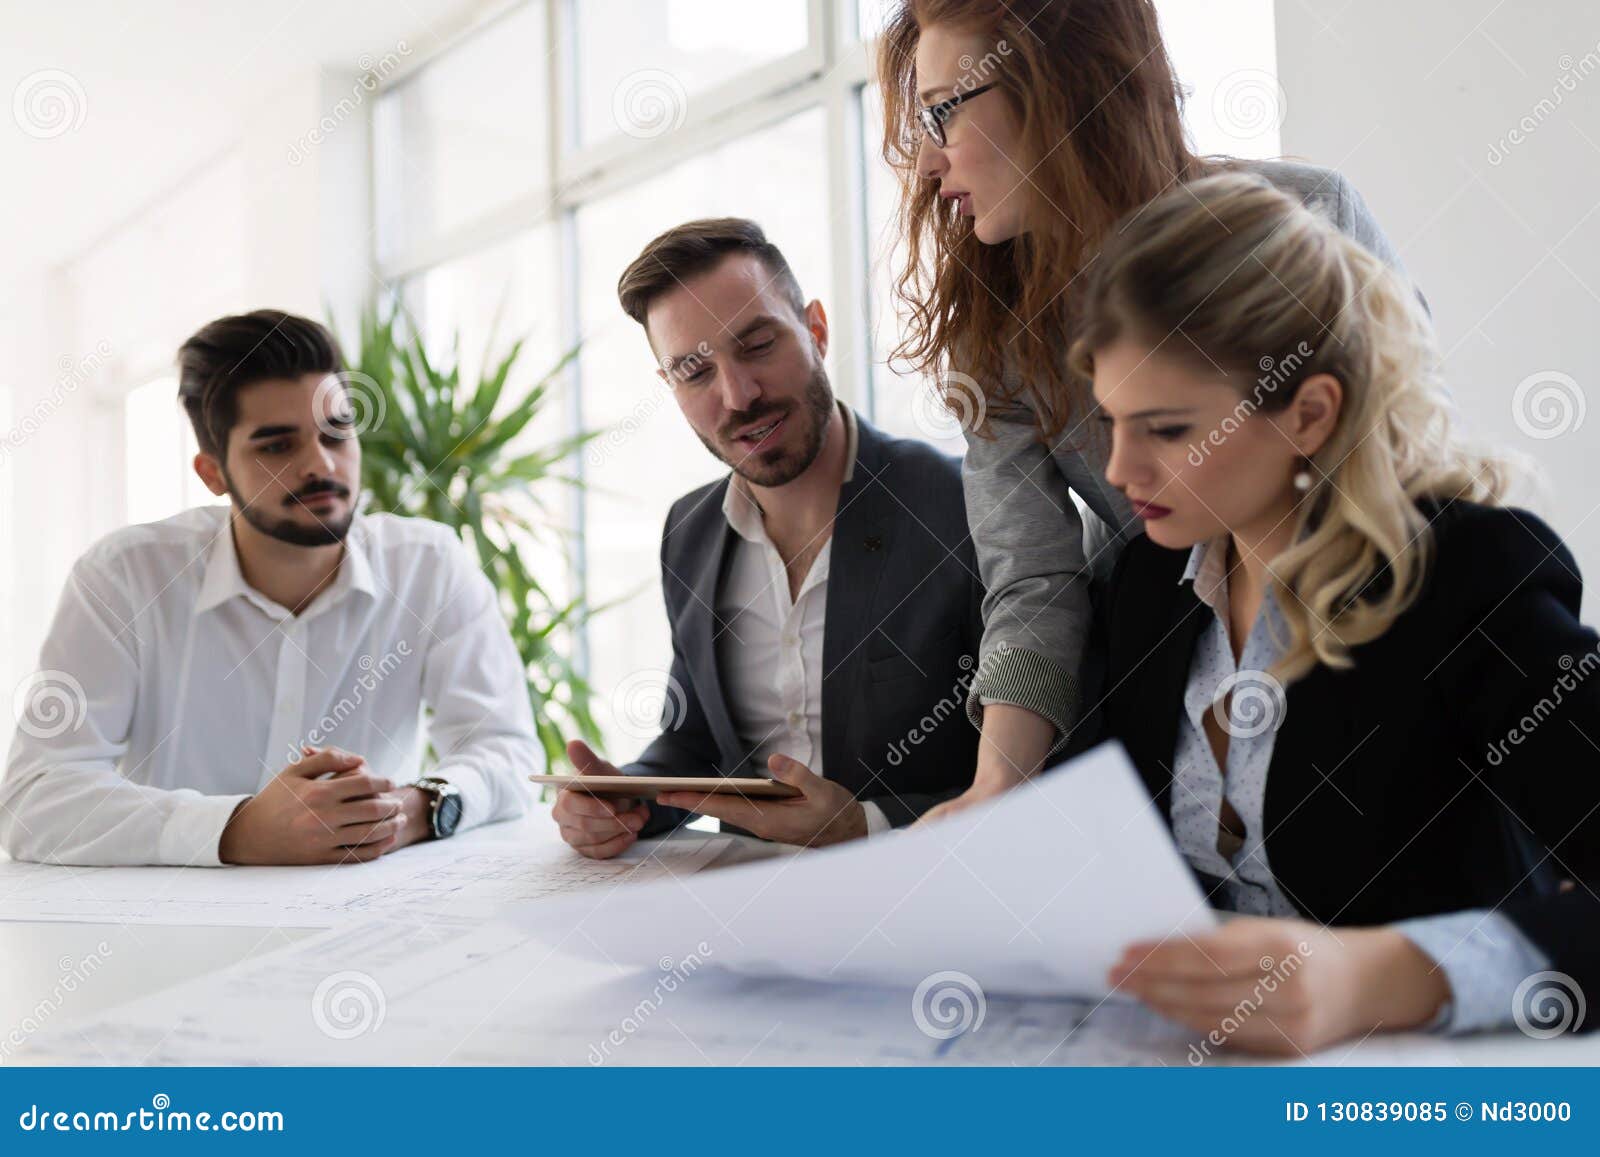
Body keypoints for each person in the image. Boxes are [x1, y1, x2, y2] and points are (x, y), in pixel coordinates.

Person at [1073, 172, 1597, 1051]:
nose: (1120, 470)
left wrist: (1378, 976)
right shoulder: (1148, 582)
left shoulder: (1473, 575)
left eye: (1166, 430)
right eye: (1112, 422)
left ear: (1309, 414)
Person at [874, 0, 1420, 818]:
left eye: (942, 112)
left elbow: (1414, 479)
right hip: (1164, 681)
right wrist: (996, 790)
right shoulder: (995, 327)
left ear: (1058, 89)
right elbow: (1033, 577)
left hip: (1363, 660)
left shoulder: (1308, 224)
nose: (924, 162)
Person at [0, 310, 539, 866]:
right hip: (176, 913)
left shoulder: (429, 565)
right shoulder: (124, 577)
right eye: (278, 446)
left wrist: (414, 810)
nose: (321, 465)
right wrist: (236, 829)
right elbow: (34, 798)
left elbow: (506, 748)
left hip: (367, 903)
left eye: (337, 433)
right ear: (212, 473)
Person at [551, 219, 983, 859]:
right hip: (742, 897)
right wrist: (627, 797)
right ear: (669, 387)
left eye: (756, 346)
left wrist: (866, 825)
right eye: (694, 372)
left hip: (926, 886)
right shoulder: (689, 533)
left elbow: (1056, 764)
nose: (738, 396)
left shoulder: (961, 506)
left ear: (817, 331)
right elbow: (695, 744)